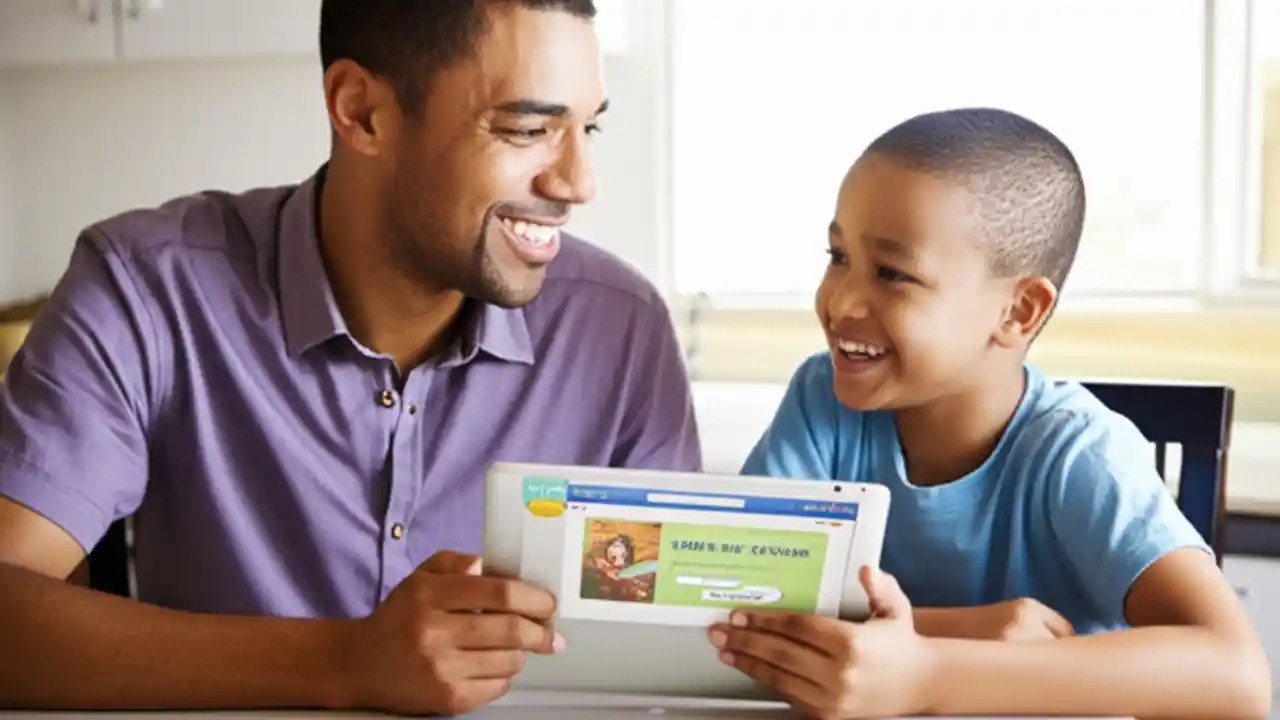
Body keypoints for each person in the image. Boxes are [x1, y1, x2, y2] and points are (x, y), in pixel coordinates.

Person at [0, 0, 699, 715]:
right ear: (362, 111)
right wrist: (345, 661)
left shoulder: (621, 329)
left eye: (589, 128)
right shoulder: (146, 288)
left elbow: (680, 643)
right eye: (527, 129)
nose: (579, 182)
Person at [709, 108, 1271, 719]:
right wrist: (965, 629)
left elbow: (1236, 678)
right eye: (837, 255)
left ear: (1019, 311)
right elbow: (733, 610)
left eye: (893, 273)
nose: (841, 300)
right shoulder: (823, 402)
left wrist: (927, 675)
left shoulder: (1082, 453)